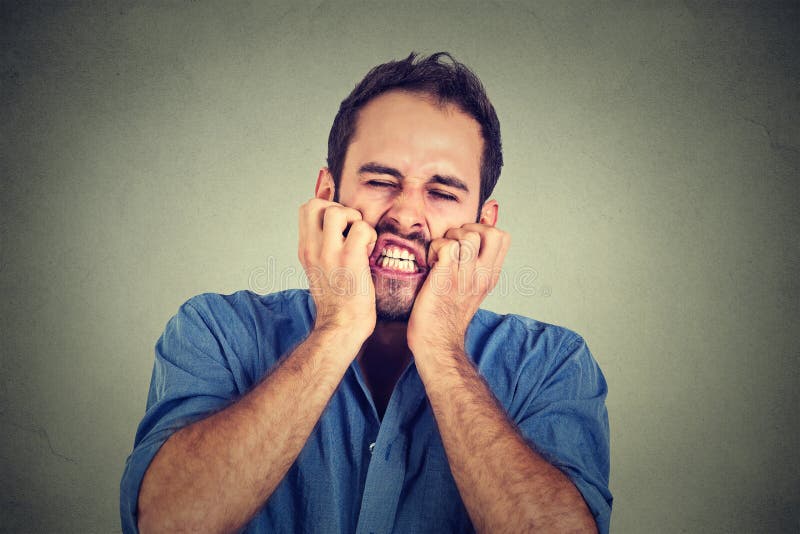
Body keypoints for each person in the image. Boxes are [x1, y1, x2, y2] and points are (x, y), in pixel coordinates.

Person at [120, 52, 612, 533]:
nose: (405, 215)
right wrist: (338, 328)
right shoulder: (216, 331)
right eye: (380, 180)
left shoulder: (553, 363)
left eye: (442, 193)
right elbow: (166, 523)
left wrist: (441, 349)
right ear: (327, 195)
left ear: (483, 225)